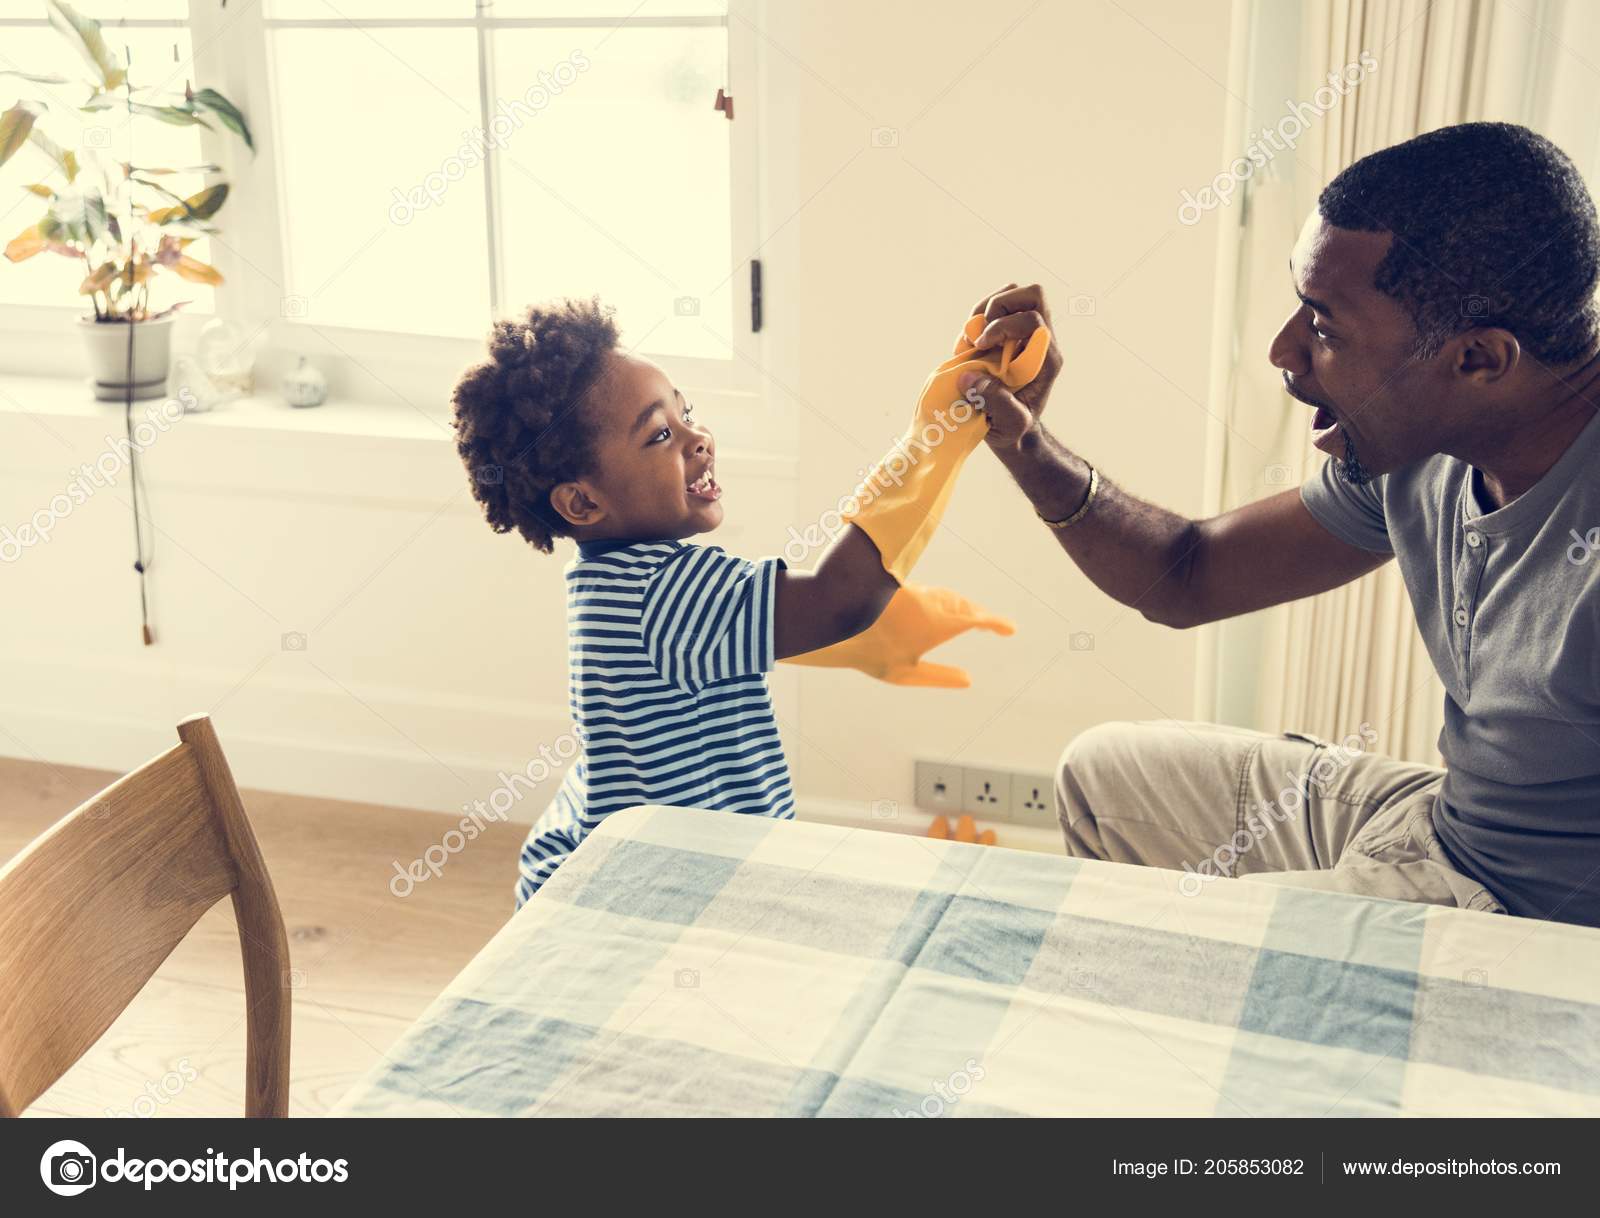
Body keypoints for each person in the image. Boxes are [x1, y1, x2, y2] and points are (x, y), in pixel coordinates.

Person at [962, 122, 1600, 926]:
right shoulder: (1423, 449)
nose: (1282, 351)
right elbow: (1187, 574)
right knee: (1102, 776)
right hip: (1440, 823)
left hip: (1521, 912)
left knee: (1160, 931)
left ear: (1477, 359)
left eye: (1324, 328)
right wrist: (1025, 444)